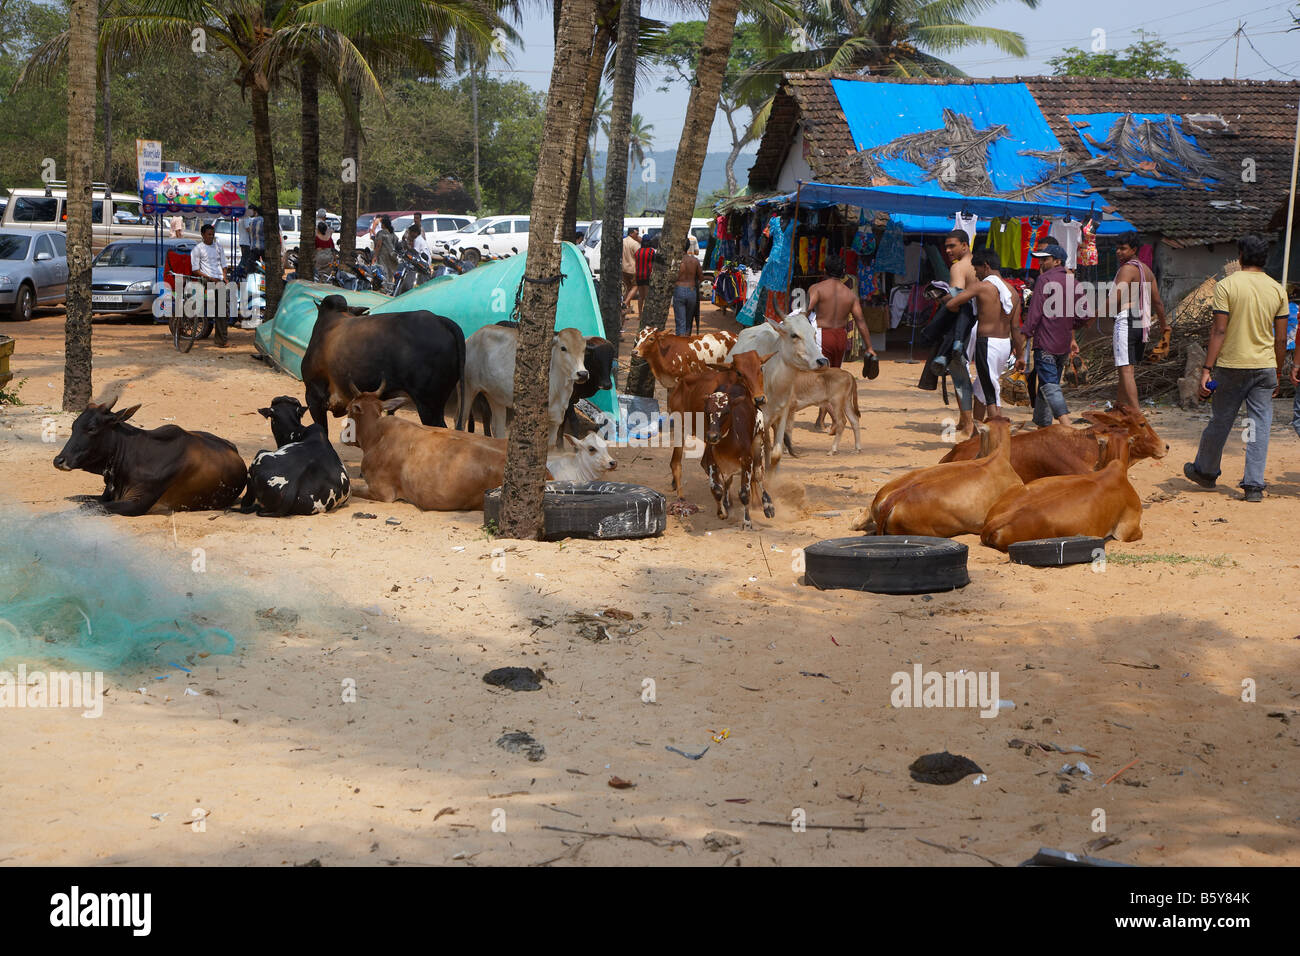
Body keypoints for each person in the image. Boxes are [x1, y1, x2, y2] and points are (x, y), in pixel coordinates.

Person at [1184, 234, 1289, 502]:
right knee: (1257, 425)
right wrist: (1276, 372)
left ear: (1241, 256)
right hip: (1265, 367)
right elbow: (1280, 339)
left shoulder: (1227, 286)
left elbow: (1219, 330)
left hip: (1232, 366)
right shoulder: (1277, 289)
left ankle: (1206, 472)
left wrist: (1207, 369)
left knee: (1221, 420)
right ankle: (1253, 485)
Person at [940, 249, 1025, 422]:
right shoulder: (1013, 293)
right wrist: (1021, 354)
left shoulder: (982, 287)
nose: (976, 274)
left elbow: (951, 304)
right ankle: (976, 432)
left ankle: (997, 434)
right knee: (982, 387)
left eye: (976, 269)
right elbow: (1016, 328)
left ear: (985, 266)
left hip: (987, 344)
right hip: (1004, 345)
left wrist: (948, 301)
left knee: (991, 393)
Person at [1020, 244, 1091, 427]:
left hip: (1045, 343)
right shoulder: (1073, 282)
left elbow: (1034, 313)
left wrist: (1024, 336)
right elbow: (1085, 315)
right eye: (1040, 259)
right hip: (1063, 344)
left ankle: (1066, 425)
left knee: (1049, 384)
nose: (1041, 263)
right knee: (1047, 383)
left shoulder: (1044, 280)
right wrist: (1070, 325)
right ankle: (1043, 424)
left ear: (1057, 261)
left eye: (1045, 259)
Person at [1110, 232, 1168, 410]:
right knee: (1124, 368)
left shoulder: (1127, 269)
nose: (1119, 252)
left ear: (1134, 249)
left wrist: (1094, 315)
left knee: (1126, 370)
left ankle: (1136, 415)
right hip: (1142, 323)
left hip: (1127, 320)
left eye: (1123, 248)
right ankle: (1119, 409)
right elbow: (1157, 302)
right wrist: (1165, 326)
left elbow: (1115, 297)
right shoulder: (1147, 270)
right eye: (1117, 248)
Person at [933, 229, 980, 435]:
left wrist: (940, 297)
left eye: (952, 246)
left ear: (964, 245)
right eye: (946, 246)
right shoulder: (978, 265)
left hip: (964, 326)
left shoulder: (958, 267)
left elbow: (955, 302)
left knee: (960, 374)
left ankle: (969, 424)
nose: (948, 250)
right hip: (983, 323)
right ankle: (966, 419)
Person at [191, 223, 231, 347]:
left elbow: (224, 265)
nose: (211, 237)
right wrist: (210, 278)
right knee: (221, 307)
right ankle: (222, 339)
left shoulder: (218, 247)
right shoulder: (198, 249)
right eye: (209, 234)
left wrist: (224, 277)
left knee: (223, 309)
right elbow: (196, 270)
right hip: (206, 279)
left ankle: (221, 339)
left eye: (213, 235)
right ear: (203, 235)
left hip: (219, 280)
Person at [673, 243, 703, 336]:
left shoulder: (676, 261)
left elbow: (672, 277)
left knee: (680, 321)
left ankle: (680, 343)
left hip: (679, 290)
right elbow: (701, 277)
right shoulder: (694, 261)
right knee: (689, 320)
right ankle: (686, 340)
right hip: (691, 290)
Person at [373, 214, 399, 288]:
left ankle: (384, 288)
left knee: (383, 271)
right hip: (392, 256)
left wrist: (375, 256)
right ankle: (390, 288)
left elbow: (378, 245)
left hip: (383, 255)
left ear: (384, 224)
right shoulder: (393, 234)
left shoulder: (381, 233)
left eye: (381, 223)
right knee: (390, 272)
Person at [634, 236, 655, 316]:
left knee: (641, 296)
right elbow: (654, 264)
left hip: (638, 275)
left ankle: (640, 314)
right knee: (647, 296)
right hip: (647, 275)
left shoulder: (638, 251)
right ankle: (647, 314)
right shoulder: (651, 251)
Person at [621, 227, 641, 314]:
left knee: (628, 288)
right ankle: (625, 303)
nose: (637, 235)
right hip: (633, 269)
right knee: (636, 286)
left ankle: (627, 307)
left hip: (624, 268)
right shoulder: (635, 244)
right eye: (636, 234)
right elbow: (639, 256)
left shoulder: (622, 241)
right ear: (631, 233)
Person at [245, 204, 264, 274]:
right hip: (263, 248)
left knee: (251, 269)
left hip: (253, 248)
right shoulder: (265, 221)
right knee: (265, 267)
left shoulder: (252, 221)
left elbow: (250, 235)